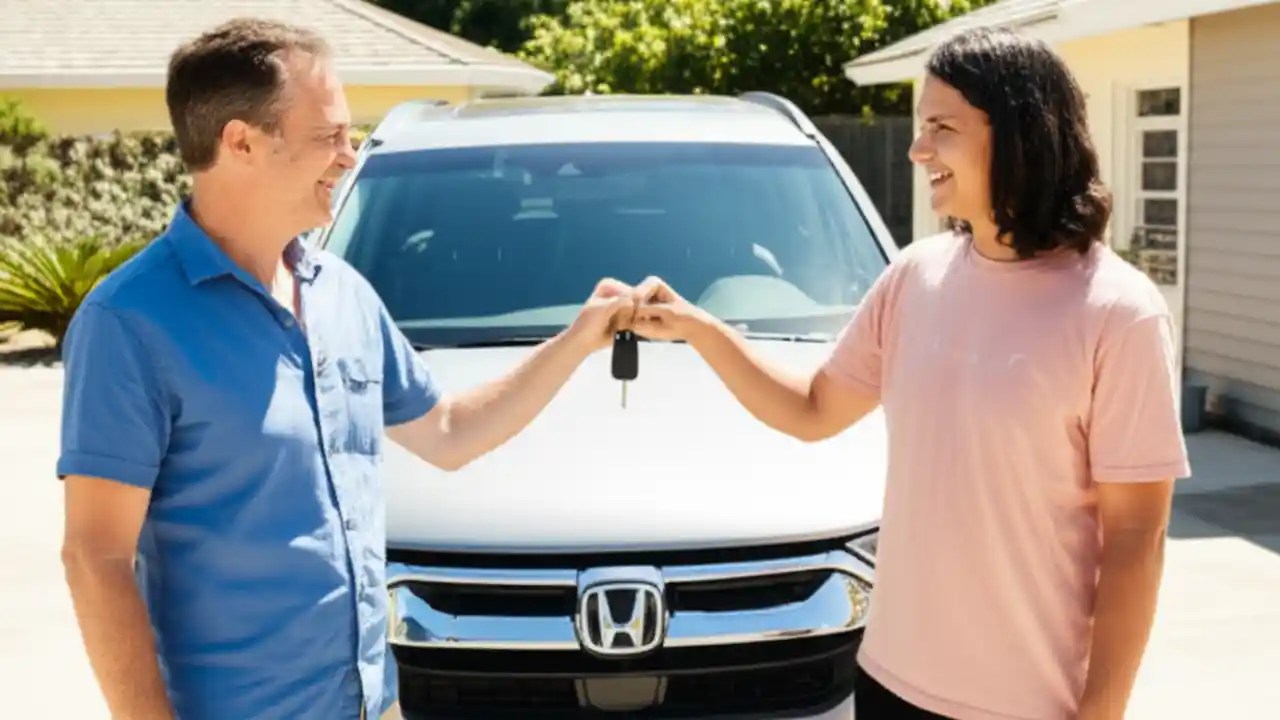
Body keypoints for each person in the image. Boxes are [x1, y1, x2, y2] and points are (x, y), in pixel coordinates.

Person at [56, 18, 634, 720]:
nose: (349, 154)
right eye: (328, 136)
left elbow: (447, 431)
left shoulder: (343, 294)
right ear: (241, 142)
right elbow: (97, 558)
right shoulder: (128, 322)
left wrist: (578, 339)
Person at [631, 27, 1190, 720]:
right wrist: (699, 329)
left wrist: (1102, 712)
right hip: (891, 683)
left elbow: (1136, 537)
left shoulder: (1118, 311)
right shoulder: (913, 277)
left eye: (941, 128)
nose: (917, 149)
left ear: (1020, 134)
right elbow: (813, 409)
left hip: (1027, 705)